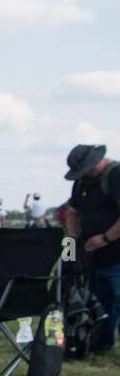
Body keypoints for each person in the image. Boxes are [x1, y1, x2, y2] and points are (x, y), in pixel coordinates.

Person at [64, 143, 120, 353]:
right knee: (99, 301)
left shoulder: (115, 175)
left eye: (84, 171)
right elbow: (72, 213)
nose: (82, 176)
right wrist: (71, 245)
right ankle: (101, 344)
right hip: (93, 257)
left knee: (117, 300)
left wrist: (104, 238)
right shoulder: (81, 183)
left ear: (96, 163)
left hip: (115, 254)